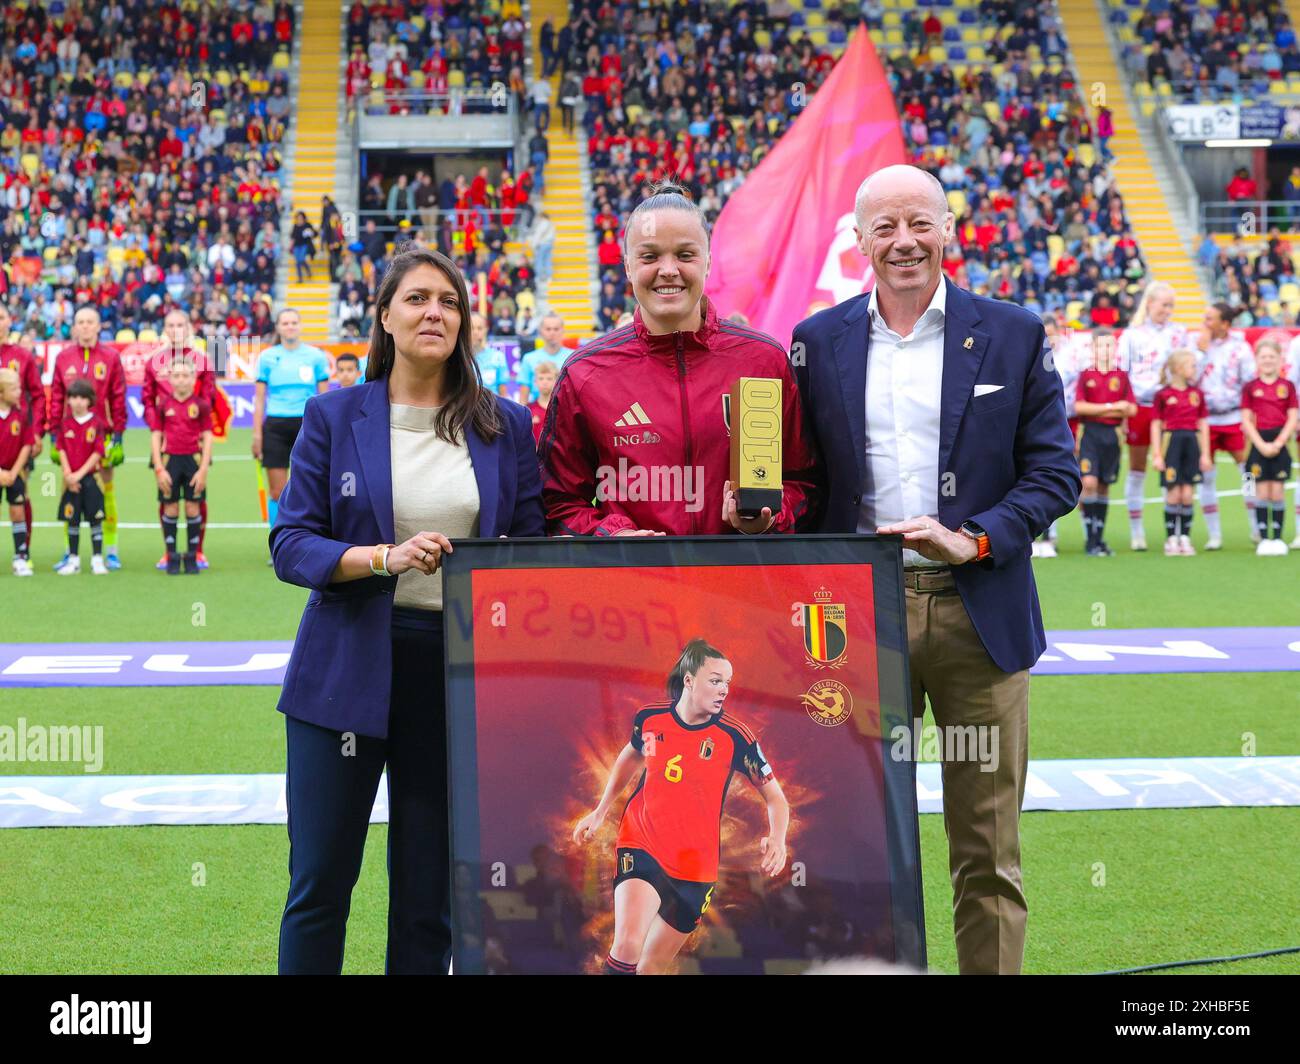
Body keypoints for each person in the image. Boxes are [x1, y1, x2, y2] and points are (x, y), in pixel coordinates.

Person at [790, 164, 1080, 975]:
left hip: (975, 614)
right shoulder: (817, 342)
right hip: (851, 620)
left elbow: (1055, 475)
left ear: (948, 229)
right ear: (859, 241)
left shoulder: (1015, 332)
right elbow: (804, 481)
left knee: (986, 848)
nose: (903, 241)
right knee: (849, 838)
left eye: (918, 222)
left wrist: (975, 539)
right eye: (884, 227)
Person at [271, 247, 545, 975]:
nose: (436, 313)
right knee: (321, 884)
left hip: (454, 675)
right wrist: (382, 557)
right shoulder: (333, 415)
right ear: (386, 316)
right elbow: (291, 543)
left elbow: (532, 544)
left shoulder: (505, 424)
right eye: (419, 299)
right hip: (346, 666)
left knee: (429, 893)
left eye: (450, 302)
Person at [539, 180, 819, 536]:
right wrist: (609, 536)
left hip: (743, 584)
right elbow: (557, 502)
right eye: (650, 256)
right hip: (637, 586)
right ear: (627, 266)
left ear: (707, 262)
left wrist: (770, 519)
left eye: (685, 255)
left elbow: (805, 482)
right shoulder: (586, 373)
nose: (668, 269)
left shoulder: (764, 361)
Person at [572, 639, 788, 975]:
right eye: (715, 680)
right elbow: (631, 756)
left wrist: (778, 838)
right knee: (628, 943)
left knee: (653, 967)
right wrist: (600, 811)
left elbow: (775, 798)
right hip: (642, 842)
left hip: (695, 867)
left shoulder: (736, 737)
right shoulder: (651, 719)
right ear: (689, 680)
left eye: (727, 683)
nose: (723, 690)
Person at [49, 306, 126, 569]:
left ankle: (111, 548)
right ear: (74, 326)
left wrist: (118, 436)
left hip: (101, 435)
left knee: (105, 490)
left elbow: (118, 397)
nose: (84, 326)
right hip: (70, 437)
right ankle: (69, 552)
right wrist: (53, 434)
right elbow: (57, 398)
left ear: (98, 326)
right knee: (69, 488)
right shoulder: (62, 358)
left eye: (89, 321)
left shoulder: (111, 357)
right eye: (80, 321)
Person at [144, 309, 219, 570]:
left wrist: (197, 426)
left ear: (188, 328)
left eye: (180, 325)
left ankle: (197, 551)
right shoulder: (154, 361)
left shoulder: (202, 360)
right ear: (164, 329)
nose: (176, 330)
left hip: (194, 439)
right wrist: (158, 427)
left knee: (197, 494)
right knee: (167, 493)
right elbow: (147, 398)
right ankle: (170, 552)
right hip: (166, 440)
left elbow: (209, 396)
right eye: (170, 325)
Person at [1116, 282, 1187, 551]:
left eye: (1171, 306)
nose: (1168, 311)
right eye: (1164, 305)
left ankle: (1176, 532)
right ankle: (1137, 532)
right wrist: (1124, 411)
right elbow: (1122, 372)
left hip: (1172, 408)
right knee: (1137, 469)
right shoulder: (1133, 335)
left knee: (1174, 471)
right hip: (1141, 407)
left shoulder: (1179, 334)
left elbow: (1189, 364)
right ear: (1150, 303)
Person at [252, 308, 331, 534]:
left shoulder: (315, 356)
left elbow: (324, 397)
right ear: (278, 327)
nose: (290, 327)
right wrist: (257, 434)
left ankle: (312, 536)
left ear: (300, 325)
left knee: (311, 488)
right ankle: (278, 541)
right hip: (275, 427)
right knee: (277, 491)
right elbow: (259, 400)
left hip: (307, 426)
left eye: (293, 322)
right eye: (285, 323)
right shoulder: (267, 357)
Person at [1194, 303, 1255, 548]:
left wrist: (1249, 418)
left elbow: (1250, 383)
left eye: (1210, 319)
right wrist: (1201, 352)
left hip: (1234, 418)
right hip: (1206, 421)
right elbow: (1189, 378)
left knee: (1248, 472)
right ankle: (1214, 534)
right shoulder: (1197, 345)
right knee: (1206, 475)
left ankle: (1256, 526)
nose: (1205, 322)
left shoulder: (1240, 348)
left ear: (1225, 324)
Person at [1073, 328, 1137, 555]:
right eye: (1101, 346)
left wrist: (1103, 410)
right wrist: (1112, 407)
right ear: (1093, 349)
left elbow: (1131, 408)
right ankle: (1090, 538)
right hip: (1090, 433)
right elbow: (1080, 407)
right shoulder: (1086, 375)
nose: (1105, 350)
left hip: (1112, 436)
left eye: (1110, 345)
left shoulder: (1121, 375)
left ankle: (1098, 539)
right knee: (1088, 483)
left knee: (1103, 486)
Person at [151, 360, 213, 575]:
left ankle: (192, 556)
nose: (181, 380)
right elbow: (156, 436)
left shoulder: (201, 406)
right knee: (170, 507)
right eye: (177, 375)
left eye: (186, 375)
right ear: (170, 379)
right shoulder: (163, 405)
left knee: (192, 507)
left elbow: (207, 437)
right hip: (170, 462)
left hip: (193, 462)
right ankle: (172, 556)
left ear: (194, 379)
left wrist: (203, 468)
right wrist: (159, 467)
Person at [1150, 349, 1212, 556]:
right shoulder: (1163, 395)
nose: (1195, 369)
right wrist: (1157, 454)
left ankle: (1185, 536)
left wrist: (1205, 453)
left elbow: (1203, 424)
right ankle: (1171, 538)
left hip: (1191, 444)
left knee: (1187, 493)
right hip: (1172, 444)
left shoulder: (1197, 394)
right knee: (1173, 493)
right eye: (1192, 365)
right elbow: (1156, 425)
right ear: (1178, 368)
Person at [1240, 337, 1298, 554]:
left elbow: (1292, 417)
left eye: (1272, 357)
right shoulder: (1250, 387)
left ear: (1280, 359)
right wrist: (1261, 445)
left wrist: (1280, 441)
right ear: (1256, 359)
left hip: (1279, 442)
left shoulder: (1287, 386)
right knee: (1261, 491)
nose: (1268, 360)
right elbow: (1246, 419)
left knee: (1278, 492)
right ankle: (1264, 538)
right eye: (1263, 356)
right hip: (1258, 443)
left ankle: (1278, 538)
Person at [0, 304, 46, 559]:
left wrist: (37, 431)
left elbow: (38, 396)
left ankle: (23, 552)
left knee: (20, 492)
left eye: (1, 317)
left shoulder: (22, 356)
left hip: (16, 439)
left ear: (10, 321)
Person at [55, 379, 109, 576]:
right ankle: (73, 559)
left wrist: (79, 474)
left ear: (89, 400)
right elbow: (60, 449)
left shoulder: (96, 423)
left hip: (89, 479)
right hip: (71, 482)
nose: (77, 402)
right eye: (73, 397)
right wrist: (68, 475)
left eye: (82, 397)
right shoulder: (65, 424)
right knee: (73, 520)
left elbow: (98, 451)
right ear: (68, 400)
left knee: (95, 520)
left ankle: (97, 559)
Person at [0, 368, 34, 575]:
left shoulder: (21, 413)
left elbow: (26, 445)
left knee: (18, 511)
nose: (19, 391)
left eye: (20, 387)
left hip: (15, 473)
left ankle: (21, 556)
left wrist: (13, 472)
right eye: (14, 388)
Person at [515, 312, 571, 403]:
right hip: (538, 412)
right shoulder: (529, 358)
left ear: (562, 331)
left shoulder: (572, 358)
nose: (552, 333)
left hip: (565, 411)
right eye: (548, 329)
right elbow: (523, 398)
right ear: (541, 331)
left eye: (556, 329)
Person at [470, 312, 511, 396]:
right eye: (471, 328)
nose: (475, 332)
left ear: (486, 330)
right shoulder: (457, 358)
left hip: (491, 407)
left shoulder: (498, 357)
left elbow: (503, 395)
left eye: (479, 328)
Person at [527, 359, 557, 443]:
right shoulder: (528, 410)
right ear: (535, 382)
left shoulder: (561, 409)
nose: (545, 382)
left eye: (549, 379)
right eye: (541, 378)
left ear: (556, 381)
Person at [291, 211, 318, 283]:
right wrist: (290, 246)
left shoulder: (307, 225)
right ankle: (303, 276)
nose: (299, 219)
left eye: (301, 218)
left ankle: (304, 274)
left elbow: (315, 233)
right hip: (297, 246)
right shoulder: (295, 226)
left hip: (304, 244)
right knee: (298, 261)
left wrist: (310, 233)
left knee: (301, 260)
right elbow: (293, 237)